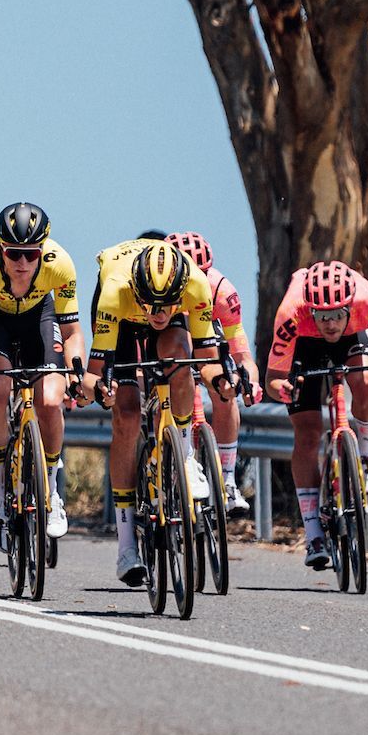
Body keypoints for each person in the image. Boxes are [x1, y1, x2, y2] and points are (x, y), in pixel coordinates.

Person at [85, 236, 219, 586]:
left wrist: (222, 382)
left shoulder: (195, 284)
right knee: (127, 416)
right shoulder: (116, 289)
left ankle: (185, 456)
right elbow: (96, 370)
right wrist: (101, 389)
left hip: (167, 314)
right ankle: (127, 546)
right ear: (137, 290)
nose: (158, 313)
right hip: (122, 323)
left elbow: (207, 359)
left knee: (178, 352)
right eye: (151, 304)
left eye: (167, 304)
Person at [265, 260, 368, 570]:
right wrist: (285, 388)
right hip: (304, 344)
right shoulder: (291, 313)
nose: (330, 324)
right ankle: (314, 532)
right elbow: (272, 379)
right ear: (311, 309)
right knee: (307, 433)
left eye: (336, 316)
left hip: (354, 337)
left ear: (349, 306)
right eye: (323, 316)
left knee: (365, 379)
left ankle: (367, 456)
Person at [0, 202, 85, 542]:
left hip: (39, 319)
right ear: (1, 247)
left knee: (49, 400)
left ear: (43, 250)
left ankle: (53, 493)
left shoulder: (61, 265)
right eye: (14, 254)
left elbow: (72, 333)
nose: (23, 263)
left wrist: (75, 373)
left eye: (31, 254)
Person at [167, 231, 260, 516]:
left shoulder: (222, 291)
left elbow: (242, 353)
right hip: (170, 324)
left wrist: (249, 381)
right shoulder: (155, 285)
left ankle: (228, 480)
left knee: (226, 391)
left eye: (201, 275)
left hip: (208, 326)